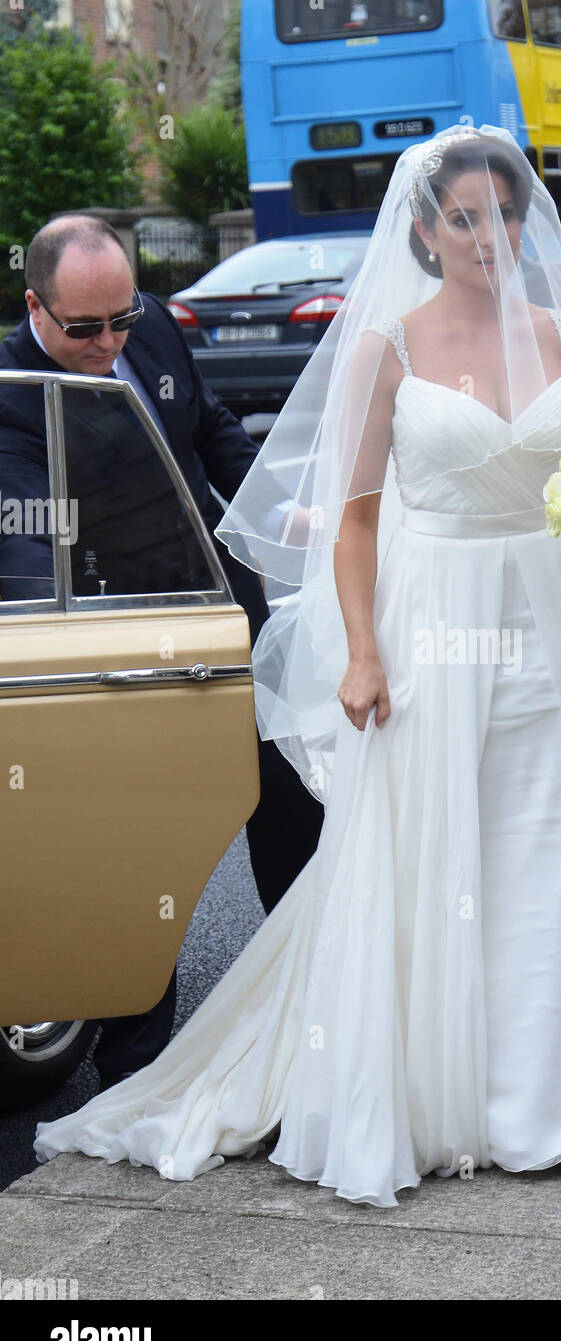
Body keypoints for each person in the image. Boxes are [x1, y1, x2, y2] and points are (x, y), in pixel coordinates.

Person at [33, 125, 561, 1207]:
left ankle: (556, 1104)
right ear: (423, 229)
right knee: (437, 856)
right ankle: (431, 1090)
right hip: (432, 628)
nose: (487, 235)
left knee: (552, 853)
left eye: (504, 214)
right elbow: (357, 525)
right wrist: (362, 653)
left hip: (550, 636)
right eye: (462, 216)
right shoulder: (390, 347)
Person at [0, 216, 324, 1089]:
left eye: (123, 319)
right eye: (84, 329)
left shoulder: (158, 332)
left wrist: (279, 511)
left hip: (231, 625)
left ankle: (322, 1004)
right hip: (128, 654)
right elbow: (33, 546)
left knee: (296, 815)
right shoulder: (8, 392)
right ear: (36, 305)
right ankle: (137, 1065)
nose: (109, 342)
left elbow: (212, 431)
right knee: (141, 853)